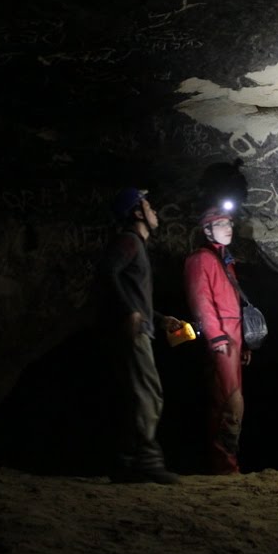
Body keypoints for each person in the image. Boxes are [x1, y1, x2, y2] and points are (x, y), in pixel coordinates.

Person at [96, 187, 184, 484]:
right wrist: (128, 312)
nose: (154, 211)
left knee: (134, 396)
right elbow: (106, 272)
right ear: (137, 212)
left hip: (138, 327)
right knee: (149, 393)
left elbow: (133, 292)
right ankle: (147, 460)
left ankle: (125, 462)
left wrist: (159, 319)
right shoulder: (129, 241)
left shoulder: (137, 246)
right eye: (148, 205)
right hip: (133, 332)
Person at [183, 204, 252, 475]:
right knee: (227, 402)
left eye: (229, 223)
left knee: (233, 401)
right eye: (221, 223)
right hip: (221, 335)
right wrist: (216, 336)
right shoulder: (200, 259)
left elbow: (233, 305)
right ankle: (224, 466)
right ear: (207, 230)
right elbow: (201, 300)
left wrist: (243, 343)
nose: (228, 228)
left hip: (233, 336)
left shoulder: (226, 261)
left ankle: (227, 463)